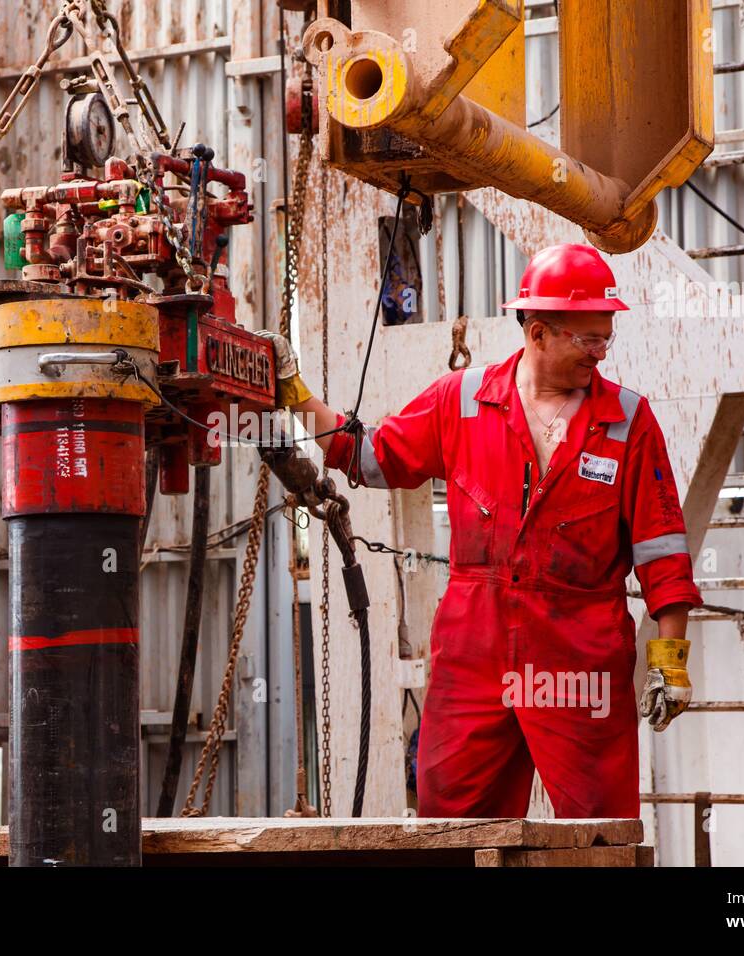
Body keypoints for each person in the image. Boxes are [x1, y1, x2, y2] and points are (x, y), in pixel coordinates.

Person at [259, 243, 702, 818]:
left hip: (580, 657)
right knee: (453, 828)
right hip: (474, 656)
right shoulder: (462, 401)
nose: (600, 352)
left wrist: (670, 657)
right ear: (538, 332)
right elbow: (366, 457)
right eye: (587, 338)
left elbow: (662, 549)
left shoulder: (628, 422)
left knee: (598, 831)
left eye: (605, 336)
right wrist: (296, 394)